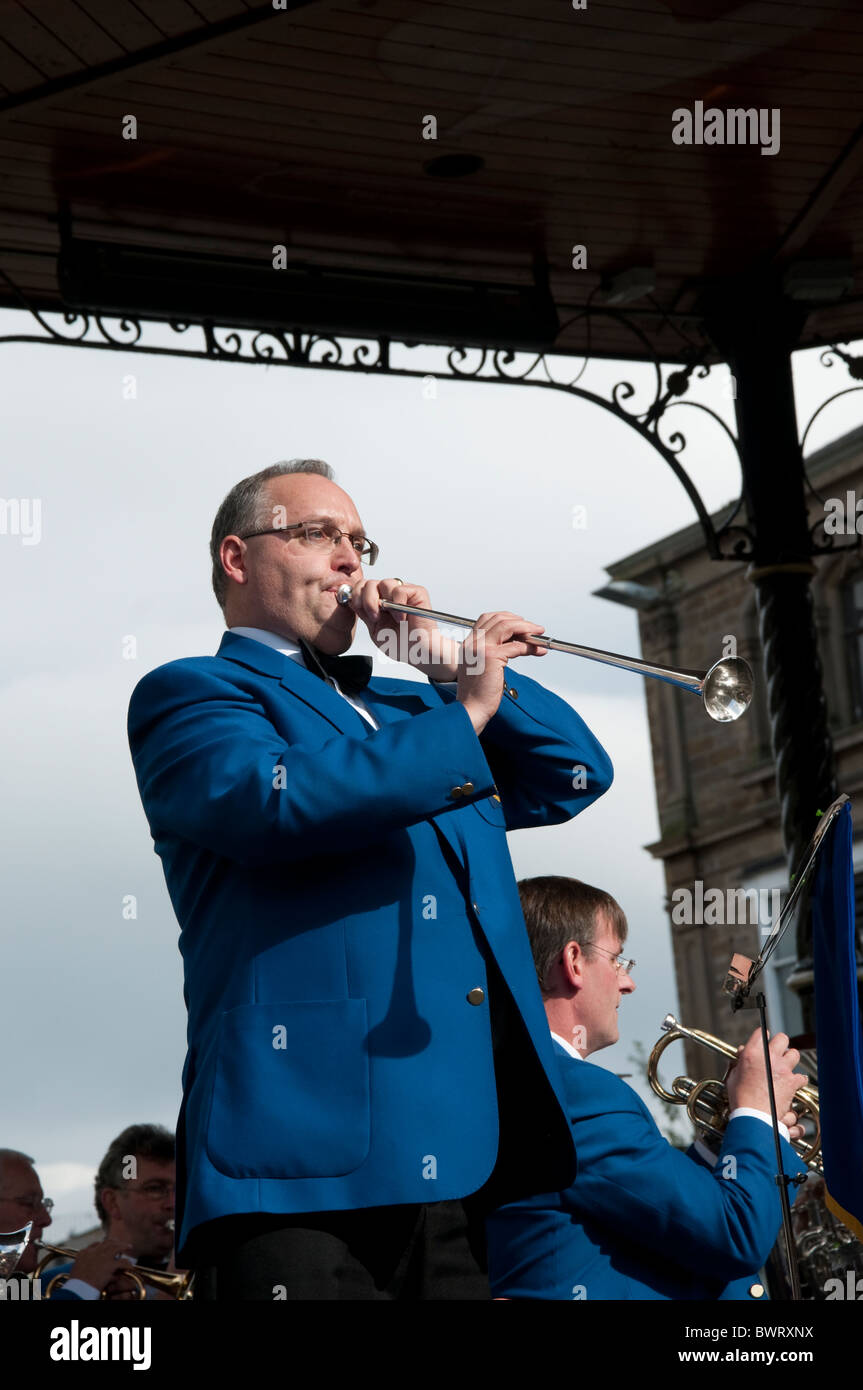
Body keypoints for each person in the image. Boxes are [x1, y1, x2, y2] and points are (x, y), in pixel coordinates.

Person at [127, 458, 614, 1299]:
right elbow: (273, 805)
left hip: (453, 1160)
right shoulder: (192, 694)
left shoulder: (413, 711)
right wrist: (463, 714)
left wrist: (435, 658)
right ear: (237, 559)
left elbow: (573, 773)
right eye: (318, 534)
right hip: (296, 1157)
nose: (351, 559)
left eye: (359, 540)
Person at [485, 876, 809, 1300]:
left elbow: (652, 1219)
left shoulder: (529, 1081)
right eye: (619, 961)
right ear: (574, 961)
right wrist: (757, 1114)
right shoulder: (576, 1092)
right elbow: (734, 1235)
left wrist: (724, 1141)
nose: (627, 983)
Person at [17, 1126, 177, 1301]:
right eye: (155, 1189)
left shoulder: (203, 1279)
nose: (173, 1203)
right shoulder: (47, 1287)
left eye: (179, 1190)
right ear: (112, 1202)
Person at [0, 1148, 133, 1300]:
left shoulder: (19, 1287)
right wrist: (83, 1287)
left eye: (44, 1205)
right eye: (30, 1203)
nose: (46, 1220)